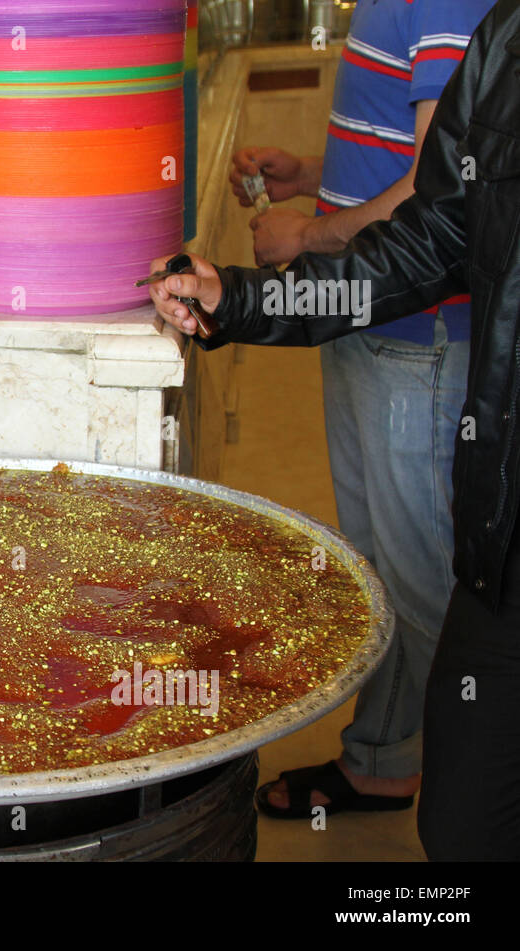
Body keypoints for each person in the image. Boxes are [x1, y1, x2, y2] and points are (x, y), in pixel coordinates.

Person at [150, 0, 520, 860]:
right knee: (463, 819)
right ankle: (389, 759)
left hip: (434, 376)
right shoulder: (505, 38)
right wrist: (240, 298)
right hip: (508, 526)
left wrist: (306, 235)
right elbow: (434, 233)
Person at [229, 0, 494, 821]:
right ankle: (383, 761)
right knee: (376, 565)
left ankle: (482, 800)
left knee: (425, 590)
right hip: (366, 316)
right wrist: (313, 172)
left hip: (417, 334)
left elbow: (439, 188)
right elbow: (406, 149)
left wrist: (310, 235)